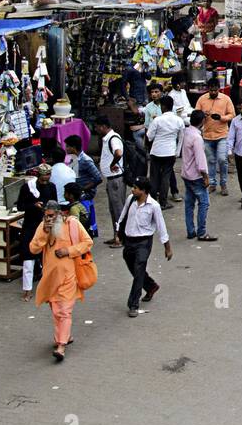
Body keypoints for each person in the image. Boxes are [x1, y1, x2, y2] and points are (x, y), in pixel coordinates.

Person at [28, 199, 93, 362]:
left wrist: (68, 251)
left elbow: (87, 243)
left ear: (59, 214)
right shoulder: (43, 227)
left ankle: (61, 346)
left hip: (69, 277)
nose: (48, 219)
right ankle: (65, 336)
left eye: (51, 216)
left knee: (64, 311)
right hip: (50, 278)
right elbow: (33, 248)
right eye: (46, 216)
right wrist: (44, 231)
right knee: (56, 311)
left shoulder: (72, 224)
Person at [113, 176, 172, 318]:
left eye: (135, 188)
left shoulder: (154, 206)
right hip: (129, 241)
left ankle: (133, 304)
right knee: (133, 268)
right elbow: (123, 216)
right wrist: (118, 233)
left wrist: (167, 247)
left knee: (139, 269)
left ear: (144, 191)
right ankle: (151, 286)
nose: (132, 190)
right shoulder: (130, 199)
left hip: (144, 243)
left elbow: (161, 227)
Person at [17, 164, 57, 295]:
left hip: (45, 225)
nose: (46, 180)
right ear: (38, 176)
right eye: (44, 177)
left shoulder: (51, 187)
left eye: (48, 176)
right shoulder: (27, 187)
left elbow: (54, 204)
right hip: (31, 225)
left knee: (46, 257)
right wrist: (33, 205)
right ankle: (27, 290)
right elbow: (20, 206)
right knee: (28, 257)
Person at [180, 109, 217, 242]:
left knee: (189, 203)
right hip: (196, 176)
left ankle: (191, 230)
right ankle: (201, 232)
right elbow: (200, 160)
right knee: (204, 203)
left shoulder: (187, 133)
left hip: (186, 173)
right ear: (202, 121)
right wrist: (206, 176)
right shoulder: (197, 138)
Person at [196, 77, 236, 196]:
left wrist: (221, 118)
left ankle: (223, 183)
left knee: (222, 159)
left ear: (219, 89)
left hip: (222, 135)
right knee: (211, 161)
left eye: (215, 90)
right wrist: (203, 115)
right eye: (211, 90)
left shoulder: (226, 99)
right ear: (208, 89)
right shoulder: (202, 99)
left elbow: (232, 115)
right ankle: (212, 183)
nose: (213, 92)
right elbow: (196, 114)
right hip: (207, 135)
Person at [146, 95, 185, 209]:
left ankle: (152, 201)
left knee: (154, 176)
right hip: (170, 152)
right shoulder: (179, 120)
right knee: (165, 177)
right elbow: (181, 137)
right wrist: (177, 152)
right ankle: (163, 202)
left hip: (157, 151)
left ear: (162, 106)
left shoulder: (157, 120)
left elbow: (149, 136)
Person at [62, 134, 102, 237]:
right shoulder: (73, 158)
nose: (66, 148)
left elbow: (98, 178)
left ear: (73, 148)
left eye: (67, 146)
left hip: (85, 193)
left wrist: (82, 189)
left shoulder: (85, 160)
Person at [94, 116, 127, 232]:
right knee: (113, 209)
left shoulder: (113, 138)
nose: (96, 130)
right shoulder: (107, 139)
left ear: (103, 127)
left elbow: (118, 153)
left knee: (118, 209)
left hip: (116, 179)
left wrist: (112, 164)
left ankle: (120, 237)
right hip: (111, 179)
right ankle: (116, 235)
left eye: (97, 127)